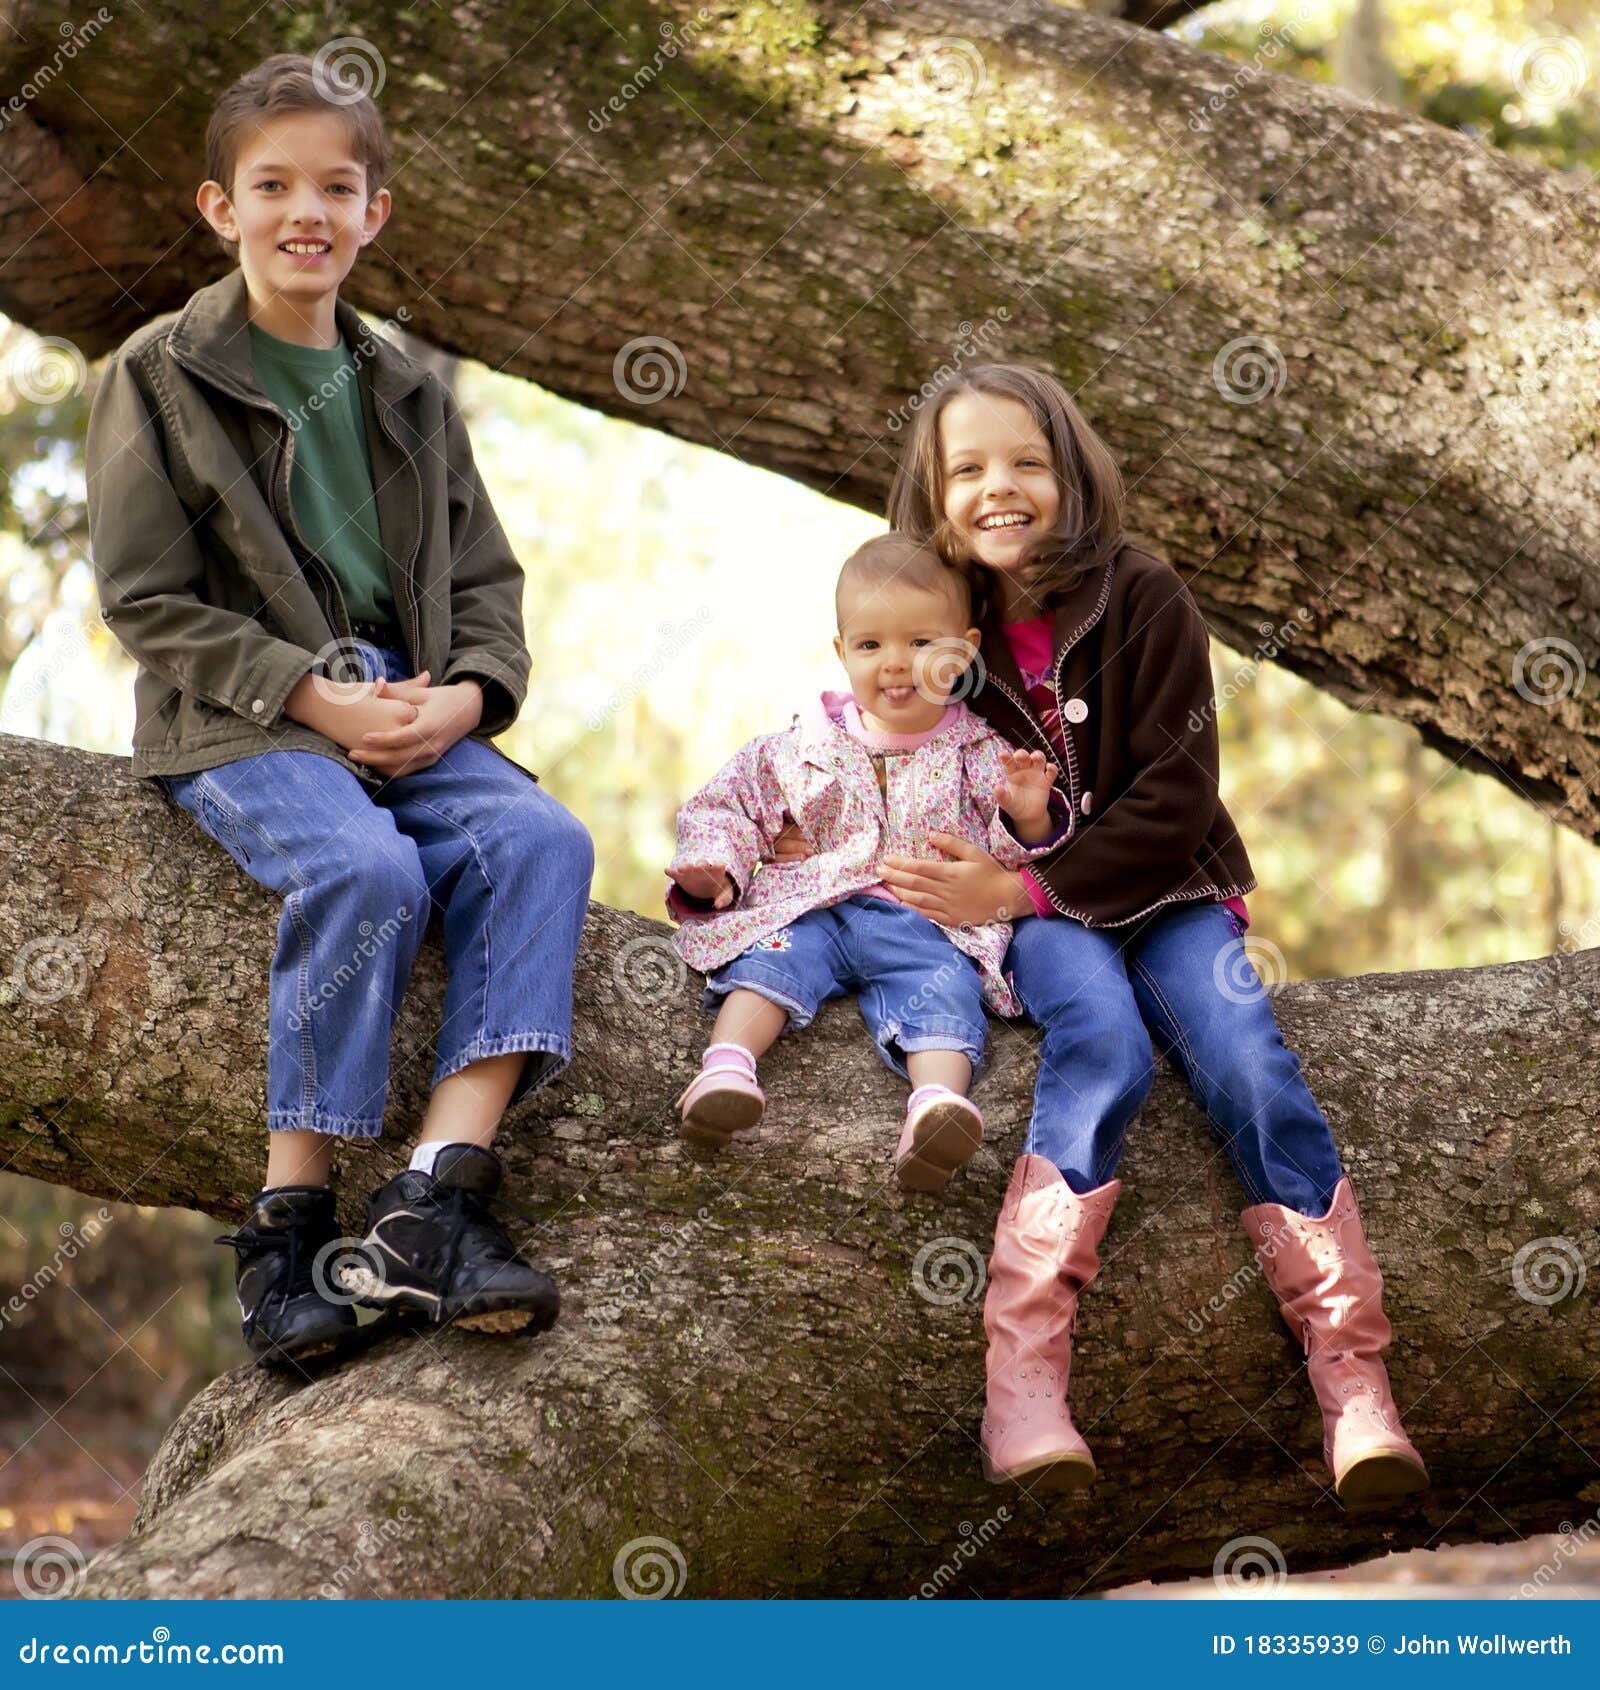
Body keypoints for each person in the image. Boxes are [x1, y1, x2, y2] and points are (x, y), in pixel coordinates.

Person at [790, 363, 1425, 1508]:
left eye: (1028, 461)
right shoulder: (935, 624)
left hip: (1164, 894)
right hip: (1027, 914)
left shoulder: (1142, 596)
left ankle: (1351, 1371)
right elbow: (870, 765)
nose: (1001, 487)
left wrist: (1019, 892)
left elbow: (1176, 794)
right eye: (969, 468)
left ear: (1072, 476)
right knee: (1105, 1048)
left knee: (1244, 1054)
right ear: (929, 495)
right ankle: (1023, 1376)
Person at [85, 54, 593, 1369]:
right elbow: (147, 597)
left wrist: (467, 698)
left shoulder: (407, 385)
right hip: (246, 711)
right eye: (273, 185)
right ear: (219, 206)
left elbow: (485, 578)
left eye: (335, 186)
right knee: (366, 869)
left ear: (374, 213)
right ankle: (290, 1231)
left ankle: (432, 1196)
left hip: (411, 703)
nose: (304, 211)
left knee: (544, 842)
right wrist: (313, 694)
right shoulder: (155, 375)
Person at [666, 533, 1065, 1191]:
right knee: (772, 957)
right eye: (871, 645)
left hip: (925, 923)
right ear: (841, 652)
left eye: (921, 643)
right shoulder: (805, 744)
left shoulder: (978, 750)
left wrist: (1027, 815)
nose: (896, 664)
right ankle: (727, 1067)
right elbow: (732, 803)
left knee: (944, 990)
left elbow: (1002, 855)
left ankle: (935, 1108)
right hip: (816, 903)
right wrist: (715, 866)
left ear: (963, 651)